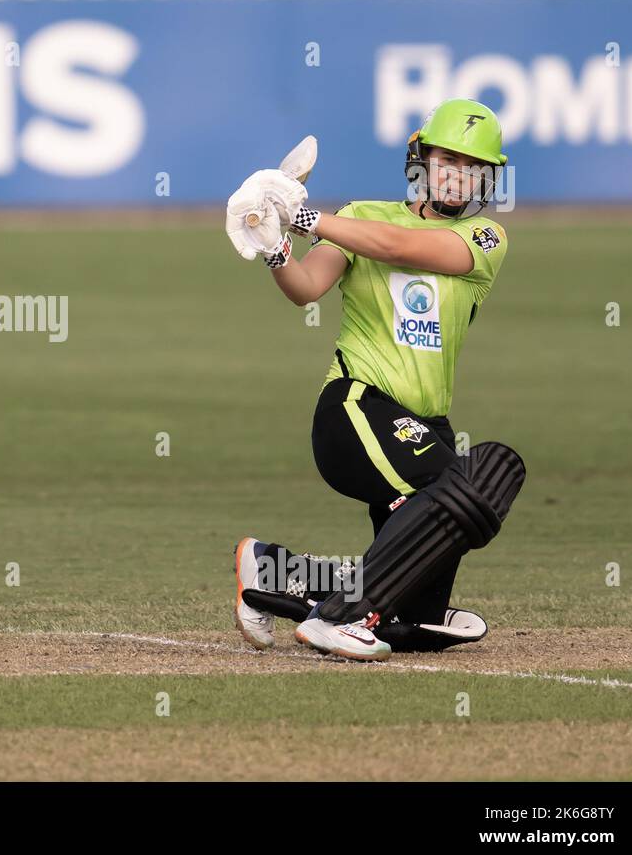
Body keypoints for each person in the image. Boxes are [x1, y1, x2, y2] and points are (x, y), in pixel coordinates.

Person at [224, 98, 526, 661]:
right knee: (458, 490)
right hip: (357, 409)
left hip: (427, 424)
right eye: (447, 161)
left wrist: (305, 217)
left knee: (413, 615)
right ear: (420, 161)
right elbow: (307, 287)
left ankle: (276, 570)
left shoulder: (487, 239)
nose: (458, 176)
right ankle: (338, 618)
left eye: (473, 168)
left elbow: (401, 246)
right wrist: (274, 246)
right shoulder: (364, 214)